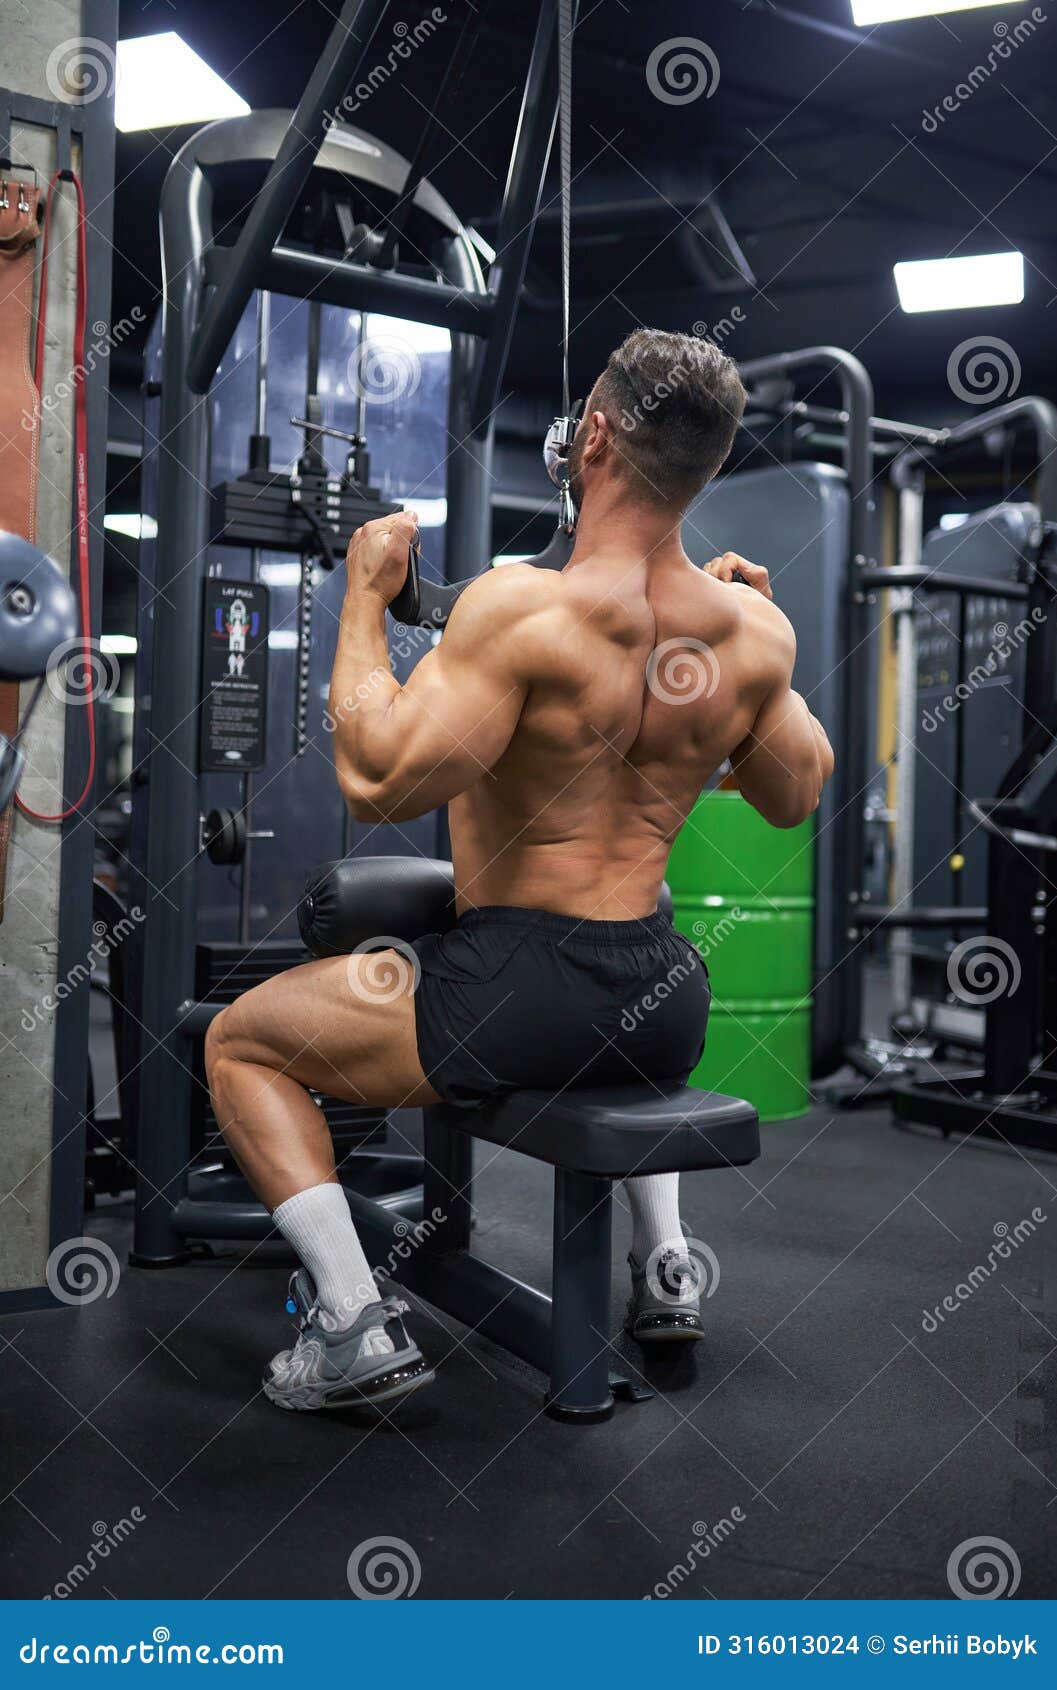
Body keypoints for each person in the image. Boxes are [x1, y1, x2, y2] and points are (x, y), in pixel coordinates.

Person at [205, 328, 834, 1411]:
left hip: (516, 987)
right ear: (709, 467)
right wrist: (754, 657)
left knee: (241, 1042)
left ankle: (353, 1323)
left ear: (589, 435)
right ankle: (667, 1264)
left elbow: (376, 777)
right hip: (662, 992)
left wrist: (362, 595)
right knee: (624, 1010)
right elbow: (792, 794)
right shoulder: (751, 631)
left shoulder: (519, 608)